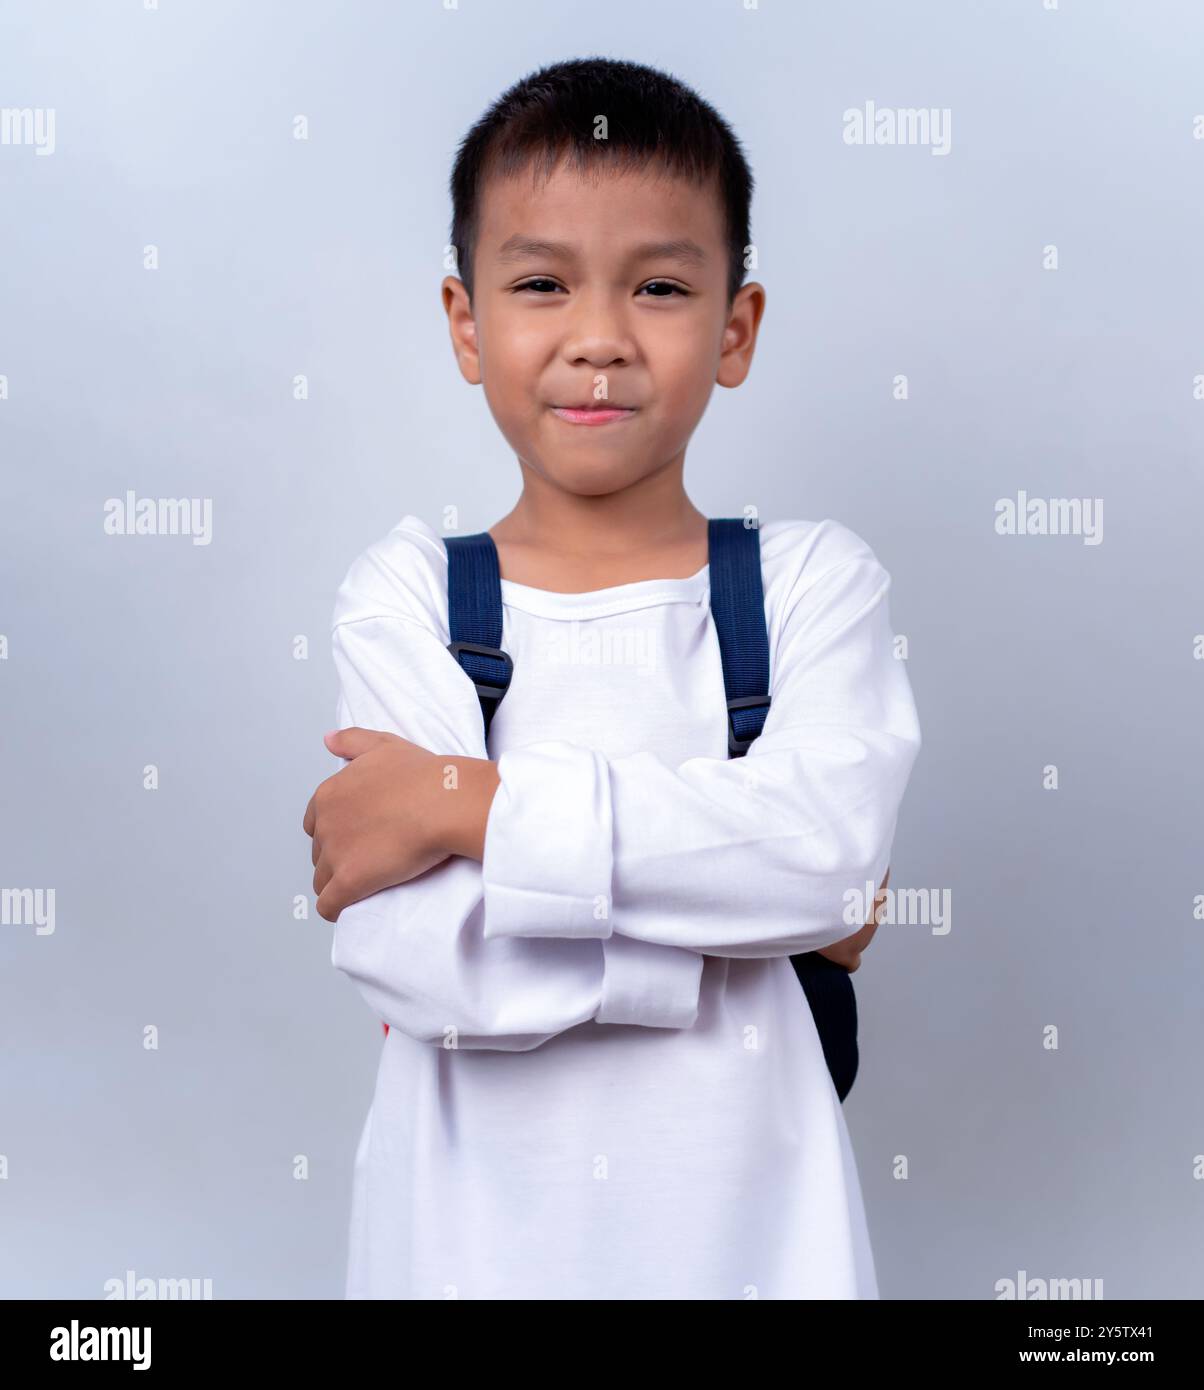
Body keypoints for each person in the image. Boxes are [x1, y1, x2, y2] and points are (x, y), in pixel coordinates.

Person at [302, 56, 922, 1300]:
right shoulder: (409, 591)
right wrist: (744, 932)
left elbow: (828, 858)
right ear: (466, 324)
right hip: (463, 1249)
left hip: (760, 1251)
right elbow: (423, 964)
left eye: (658, 285)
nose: (598, 338)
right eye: (539, 284)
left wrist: (468, 808)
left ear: (734, 329)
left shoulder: (807, 582)